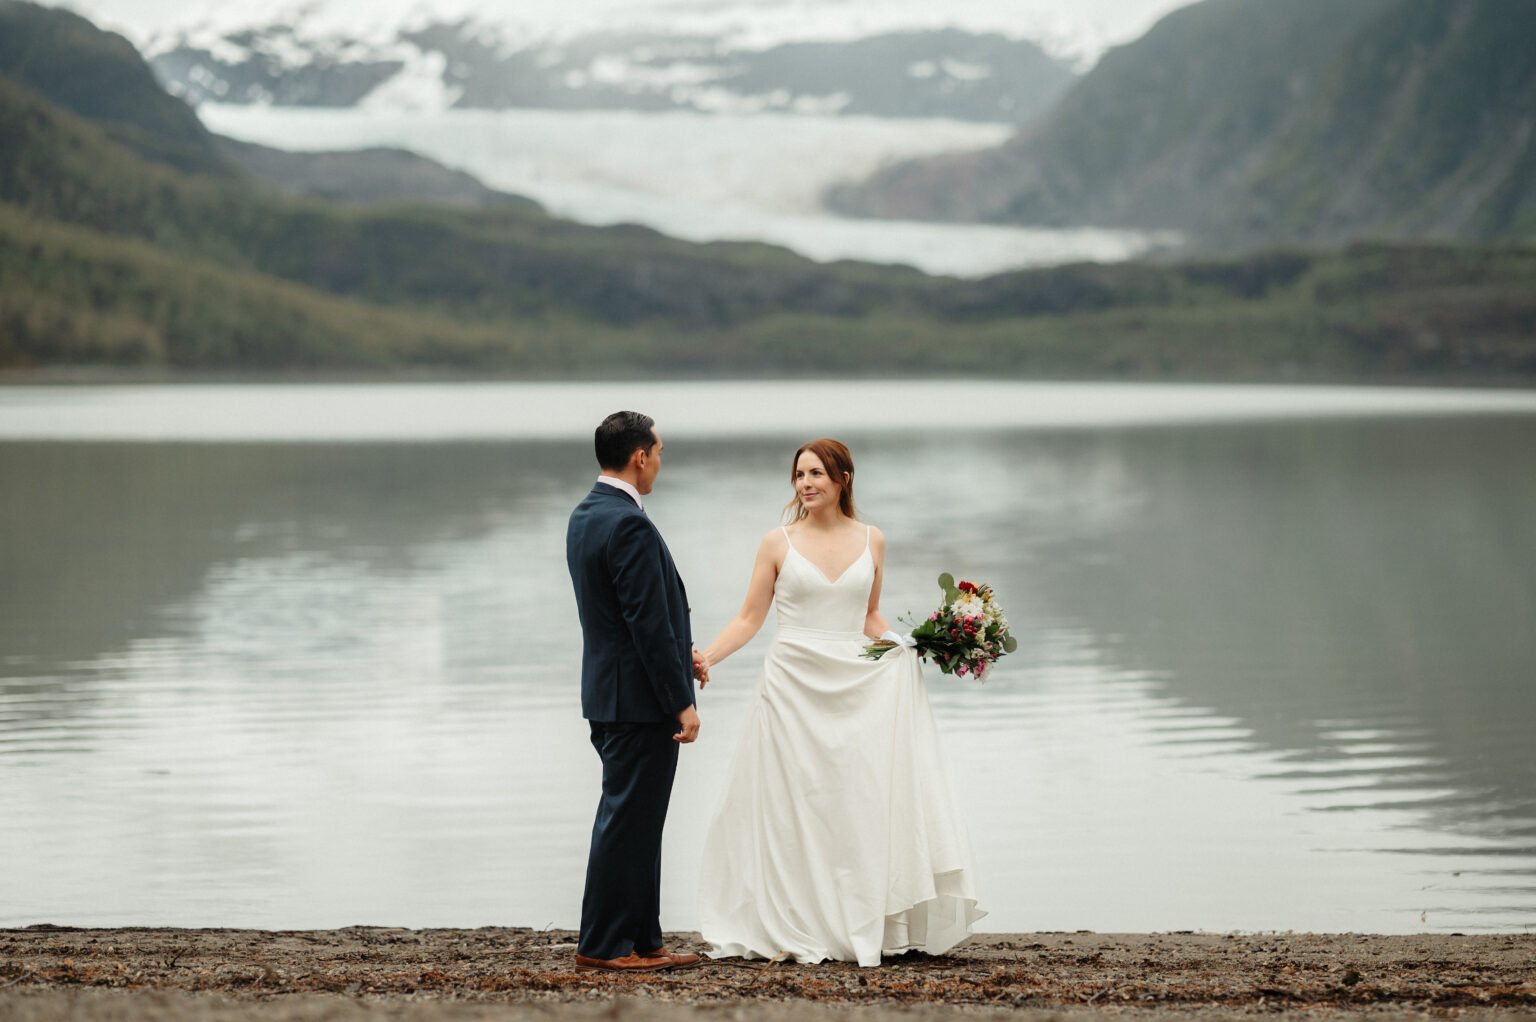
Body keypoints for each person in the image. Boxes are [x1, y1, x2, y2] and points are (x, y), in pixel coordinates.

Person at [695, 438, 985, 967]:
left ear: (842, 479)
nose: (806, 484)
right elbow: (749, 618)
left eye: (816, 474)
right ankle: (794, 919)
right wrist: (708, 657)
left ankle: (860, 914)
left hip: (855, 685)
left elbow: (869, 617)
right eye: (799, 475)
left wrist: (907, 644)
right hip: (791, 686)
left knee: (852, 801)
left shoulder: (873, 540)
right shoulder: (776, 543)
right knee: (793, 805)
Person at [566, 411, 709, 973]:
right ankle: (603, 946)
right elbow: (644, 624)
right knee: (627, 822)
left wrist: (684, 656)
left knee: (639, 820)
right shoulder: (627, 523)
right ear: (640, 456)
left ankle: (644, 939)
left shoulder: (587, 514)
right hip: (639, 702)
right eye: (660, 451)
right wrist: (681, 701)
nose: (660, 461)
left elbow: (630, 621)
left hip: (611, 694)